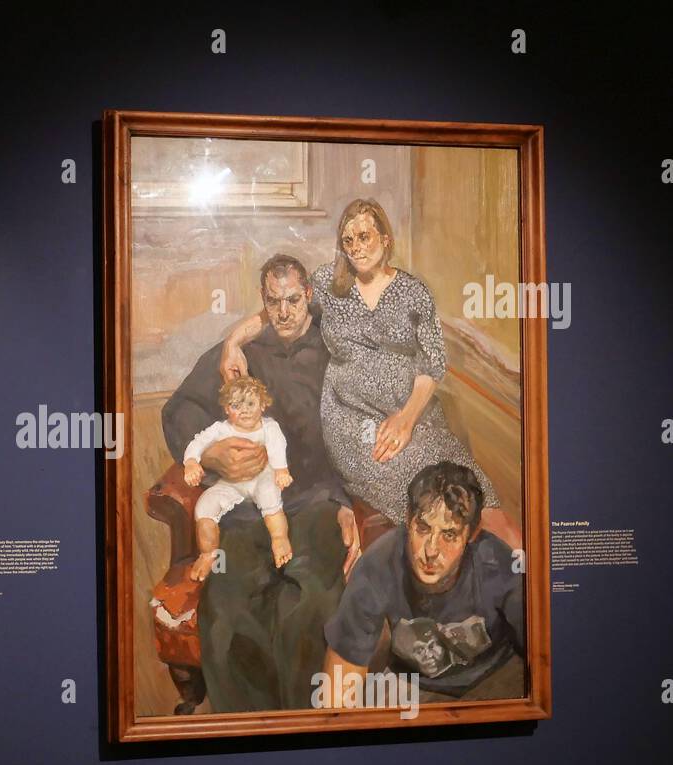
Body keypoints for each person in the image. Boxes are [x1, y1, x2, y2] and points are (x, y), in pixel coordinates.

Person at [221, 199, 519, 548]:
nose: (356, 248)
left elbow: (431, 363)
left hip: (412, 415)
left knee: (473, 490)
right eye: (348, 241)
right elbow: (271, 311)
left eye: (364, 236)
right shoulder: (330, 287)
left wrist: (406, 419)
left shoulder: (414, 292)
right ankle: (450, 564)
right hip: (351, 420)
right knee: (423, 488)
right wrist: (232, 342)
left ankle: (517, 576)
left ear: (385, 238)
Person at [161, 255, 360, 713]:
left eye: (293, 299)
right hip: (246, 504)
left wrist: (346, 501)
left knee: (311, 605)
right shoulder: (240, 355)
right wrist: (211, 457)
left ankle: (305, 729)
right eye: (274, 302)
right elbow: (180, 410)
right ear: (263, 304)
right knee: (228, 609)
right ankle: (249, 733)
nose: (285, 312)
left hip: (315, 501)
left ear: (309, 295)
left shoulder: (337, 344)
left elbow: (364, 430)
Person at [321, 461, 525, 703]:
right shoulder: (377, 565)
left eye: (449, 535)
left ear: (471, 534)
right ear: (408, 520)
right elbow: (338, 690)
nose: (431, 551)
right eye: (423, 528)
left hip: (495, 676)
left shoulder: (499, 564)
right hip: (412, 683)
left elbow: (545, 656)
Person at [182, 376, 294, 580]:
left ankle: (279, 538)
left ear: (262, 405)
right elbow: (198, 442)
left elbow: (278, 446)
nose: (245, 410)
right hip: (232, 483)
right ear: (226, 409)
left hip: (263, 477)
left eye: (251, 403)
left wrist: (280, 469)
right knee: (204, 506)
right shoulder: (221, 429)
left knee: (270, 497)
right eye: (236, 405)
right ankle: (208, 554)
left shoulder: (269, 427)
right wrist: (191, 462)